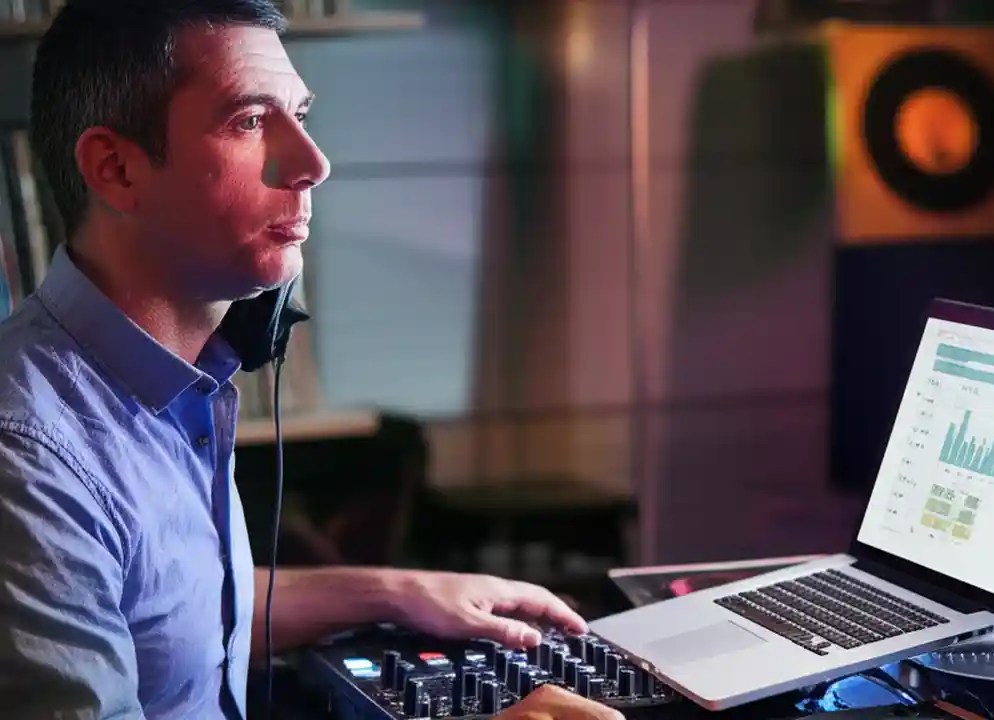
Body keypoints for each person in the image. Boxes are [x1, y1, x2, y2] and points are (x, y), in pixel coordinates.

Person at [0, 2, 621, 718]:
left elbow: (174, 604)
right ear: (115, 169)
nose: (314, 163)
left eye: (301, 114)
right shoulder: (27, 458)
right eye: (250, 120)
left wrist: (397, 591)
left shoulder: (169, 385)